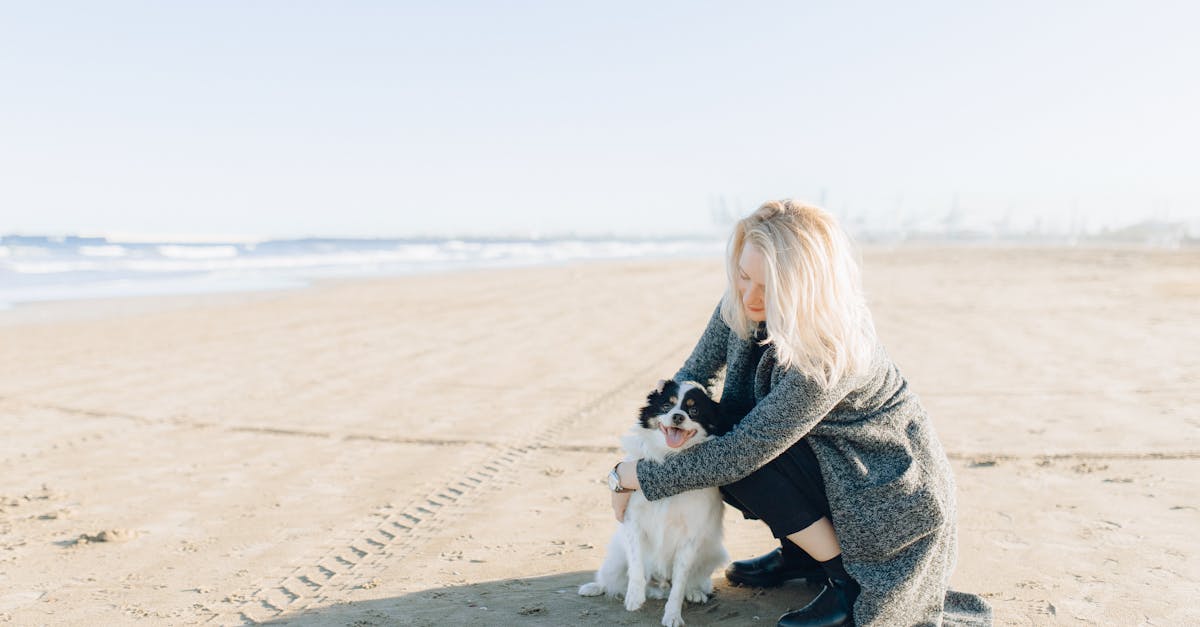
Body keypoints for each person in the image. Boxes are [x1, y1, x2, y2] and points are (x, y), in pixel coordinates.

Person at [604, 200, 991, 626]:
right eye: (744, 275)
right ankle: (804, 554)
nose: (749, 297)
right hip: (820, 463)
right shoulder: (742, 299)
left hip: (881, 490)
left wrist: (635, 476)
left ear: (807, 287)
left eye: (769, 288)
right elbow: (691, 379)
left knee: (734, 453)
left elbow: (744, 452)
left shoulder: (829, 349)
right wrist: (652, 446)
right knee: (713, 428)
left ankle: (845, 582)